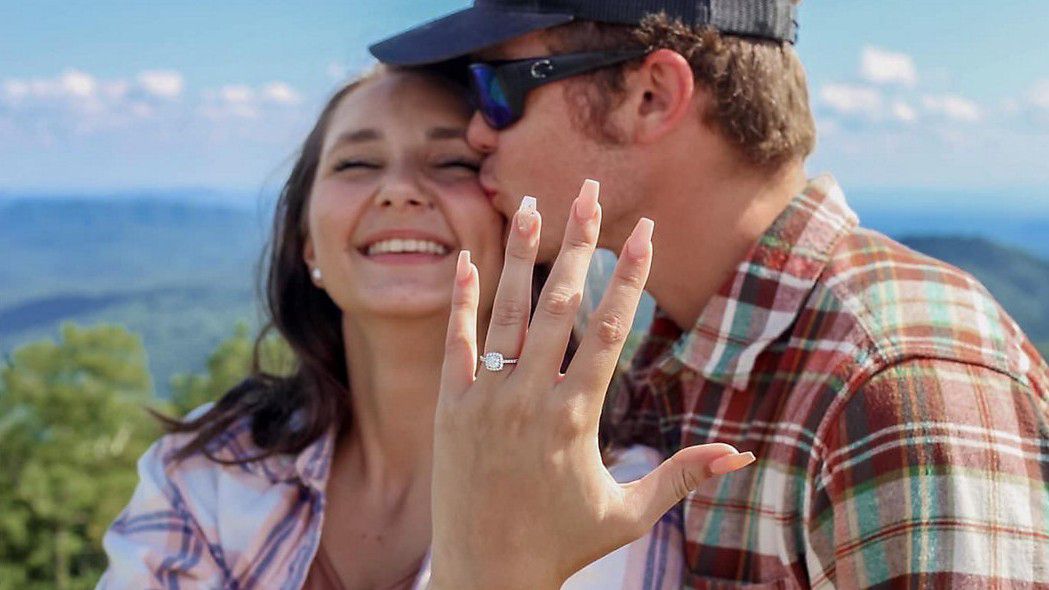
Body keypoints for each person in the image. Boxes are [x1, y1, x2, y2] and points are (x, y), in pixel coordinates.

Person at [370, 0, 1049, 587]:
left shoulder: (897, 383)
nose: (477, 130)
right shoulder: (679, 360)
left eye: (498, 88)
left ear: (651, 96)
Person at [96, 66, 755, 589]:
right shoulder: (208, 474)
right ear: (306, 243)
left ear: (520, 226)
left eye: (452, 165)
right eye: (356, 164)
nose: (400, 190)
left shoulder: (607, 498)